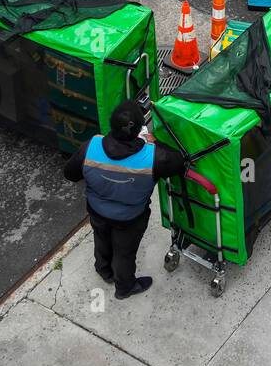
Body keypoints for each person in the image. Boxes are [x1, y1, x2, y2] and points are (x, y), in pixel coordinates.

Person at [64, 101, 186, 300]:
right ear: (139, 129)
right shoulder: (154, 156)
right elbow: (179, 163)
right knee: (124, 252)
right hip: (130, 217)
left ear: (111, 125)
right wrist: (154, 142)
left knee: (101, 238)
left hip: (97, 211)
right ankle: (125, 287)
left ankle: (104, 270)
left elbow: (70, 174)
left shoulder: (91, 147)